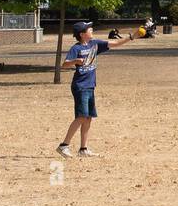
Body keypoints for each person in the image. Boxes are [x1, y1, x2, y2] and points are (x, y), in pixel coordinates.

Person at [57, 21, 134, 158]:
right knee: (81, 117)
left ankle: (83, 149)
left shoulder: (95, 44)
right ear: (82, 34)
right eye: (88, 29)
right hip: (80, 86)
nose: (91, 30)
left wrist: (132, 37)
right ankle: (64, 145)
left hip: (90, 85)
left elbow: (115, 44)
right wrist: (75, 61)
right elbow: (64, 65)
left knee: (88, 118)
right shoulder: (76, 48)